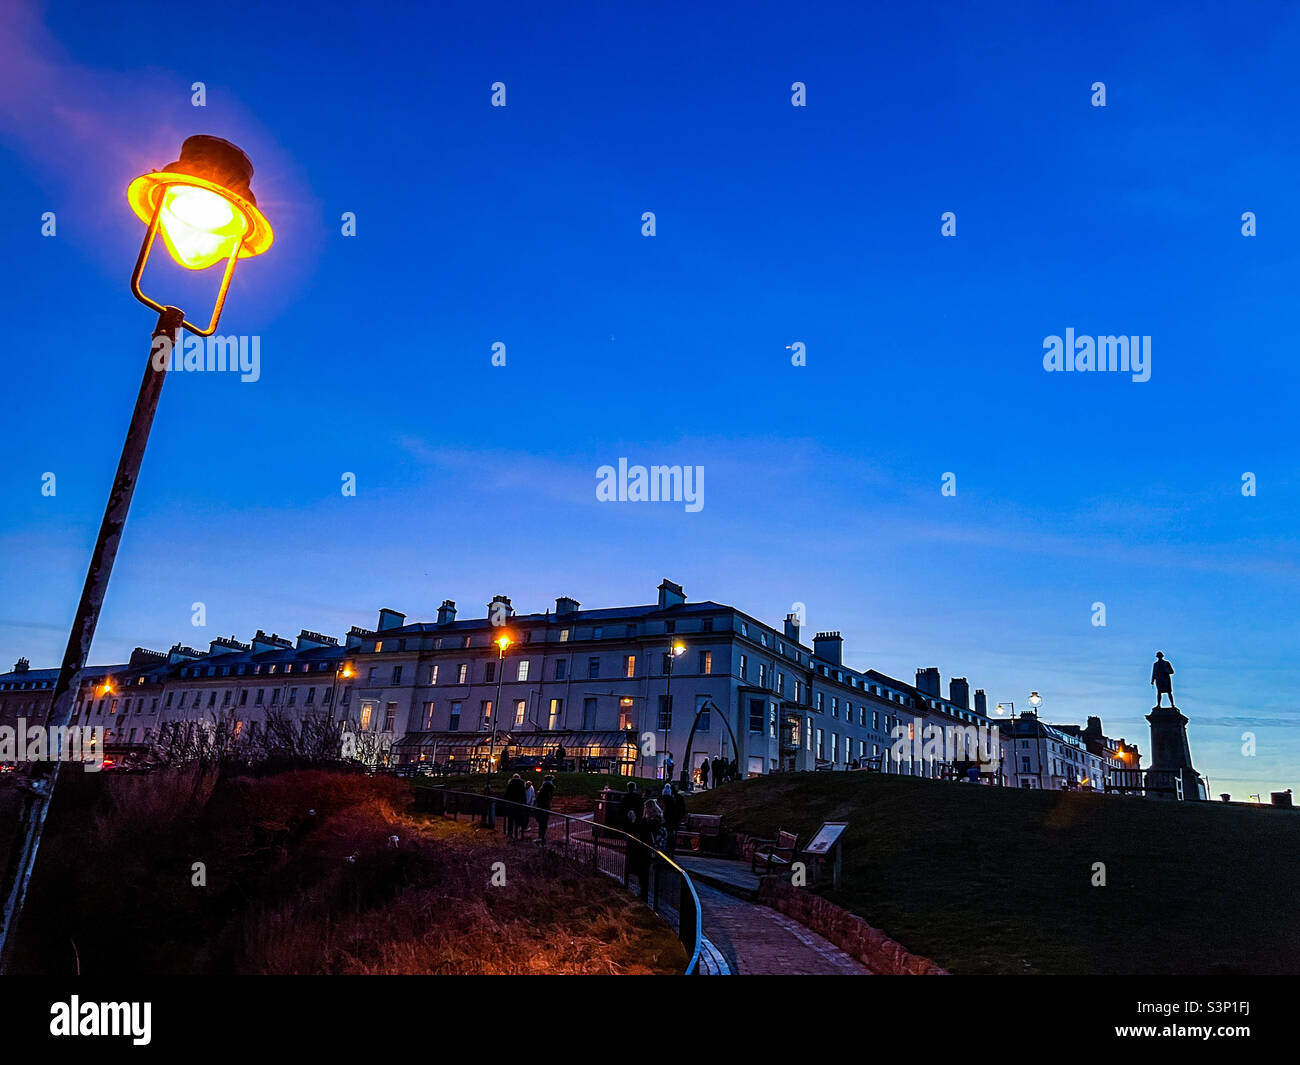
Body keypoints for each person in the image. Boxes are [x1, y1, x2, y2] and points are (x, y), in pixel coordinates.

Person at [662, 783, 684, 855]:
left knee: (670, 835)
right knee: (669, 835)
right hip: (671, 820)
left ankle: (670, 849)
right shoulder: (671, 799)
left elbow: (680, 809)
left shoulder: (676, 798)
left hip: (672, 820)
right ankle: (669, 849)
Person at [504, 773, 527, 840]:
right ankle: (517, 834)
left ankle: (510, 833)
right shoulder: (522, 783)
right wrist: (524, 803)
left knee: (510, 819)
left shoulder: (511, 783)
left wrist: (505, 800)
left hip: (511, 803)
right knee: (518, 819)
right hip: (519, 804)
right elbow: (523, 795)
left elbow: (507, 793)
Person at [535, 776, 553, 842]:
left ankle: (540, 837)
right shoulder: (551, 788)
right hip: (546, 807)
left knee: (541, 822)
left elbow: (539, 798)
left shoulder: (544, 788)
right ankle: (542, 836)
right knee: (544, 822)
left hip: (541, 807)